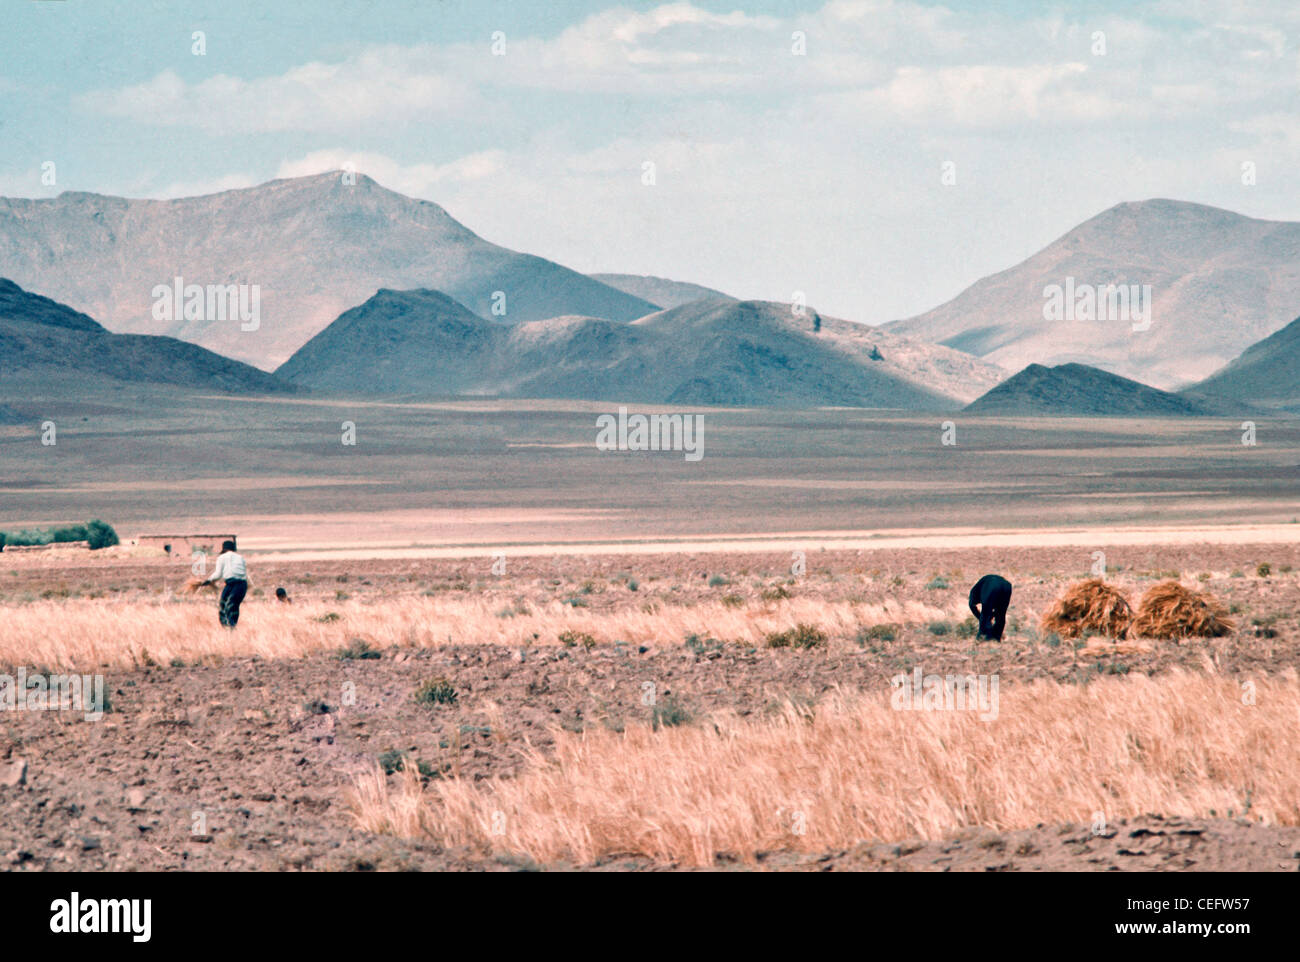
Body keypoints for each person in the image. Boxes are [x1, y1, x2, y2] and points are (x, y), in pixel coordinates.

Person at [205, 540, 248, 628]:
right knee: (233, 606)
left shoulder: (222, 557)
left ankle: (229, 628)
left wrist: (209, 580)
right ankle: (232, 626)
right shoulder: (240, 558)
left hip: (231, 584)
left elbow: (218, 574)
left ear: (224, 550)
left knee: (225, 606)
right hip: (242, 585)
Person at [968, 574, 1012, 641]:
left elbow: (971, 605)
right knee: (1001, 614)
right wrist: (991, 615)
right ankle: (997, 637)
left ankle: (982, 638)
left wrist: (981, 618)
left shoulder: (974, 592)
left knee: (985, 613)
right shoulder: (981, 588)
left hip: (992, 586)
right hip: (1007, 586)